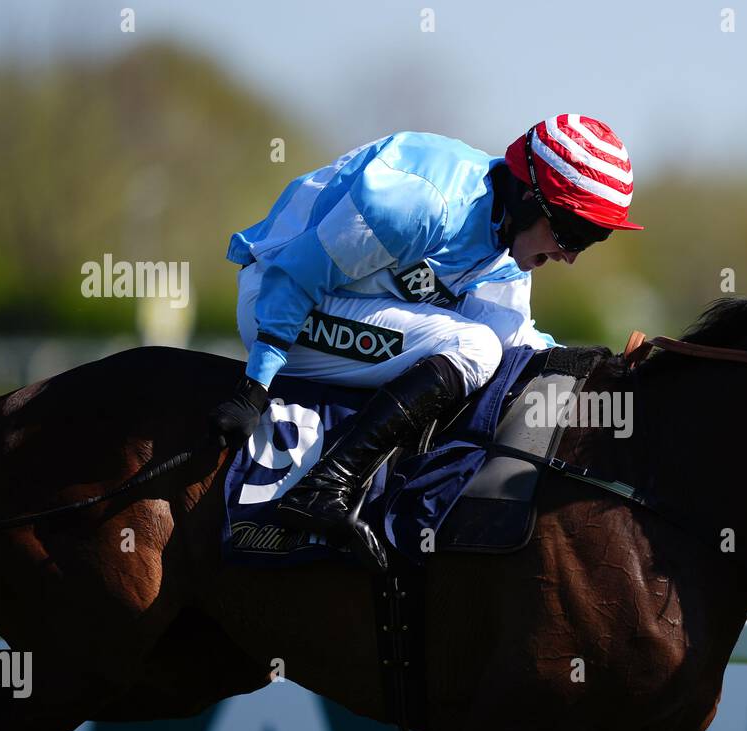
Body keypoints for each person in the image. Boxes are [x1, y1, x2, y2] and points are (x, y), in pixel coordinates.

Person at [207, 114, 643, 570]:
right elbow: (292, 277)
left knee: (495, 346)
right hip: (277, 301)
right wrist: (254, 386)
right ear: (529, 197)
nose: (570, 256)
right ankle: (326, 484)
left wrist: (608, 374)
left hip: (335, 305)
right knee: (475, 347)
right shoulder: (420, 203)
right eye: (573, 232)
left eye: (593, 239)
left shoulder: (507, 249)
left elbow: (522, 344)